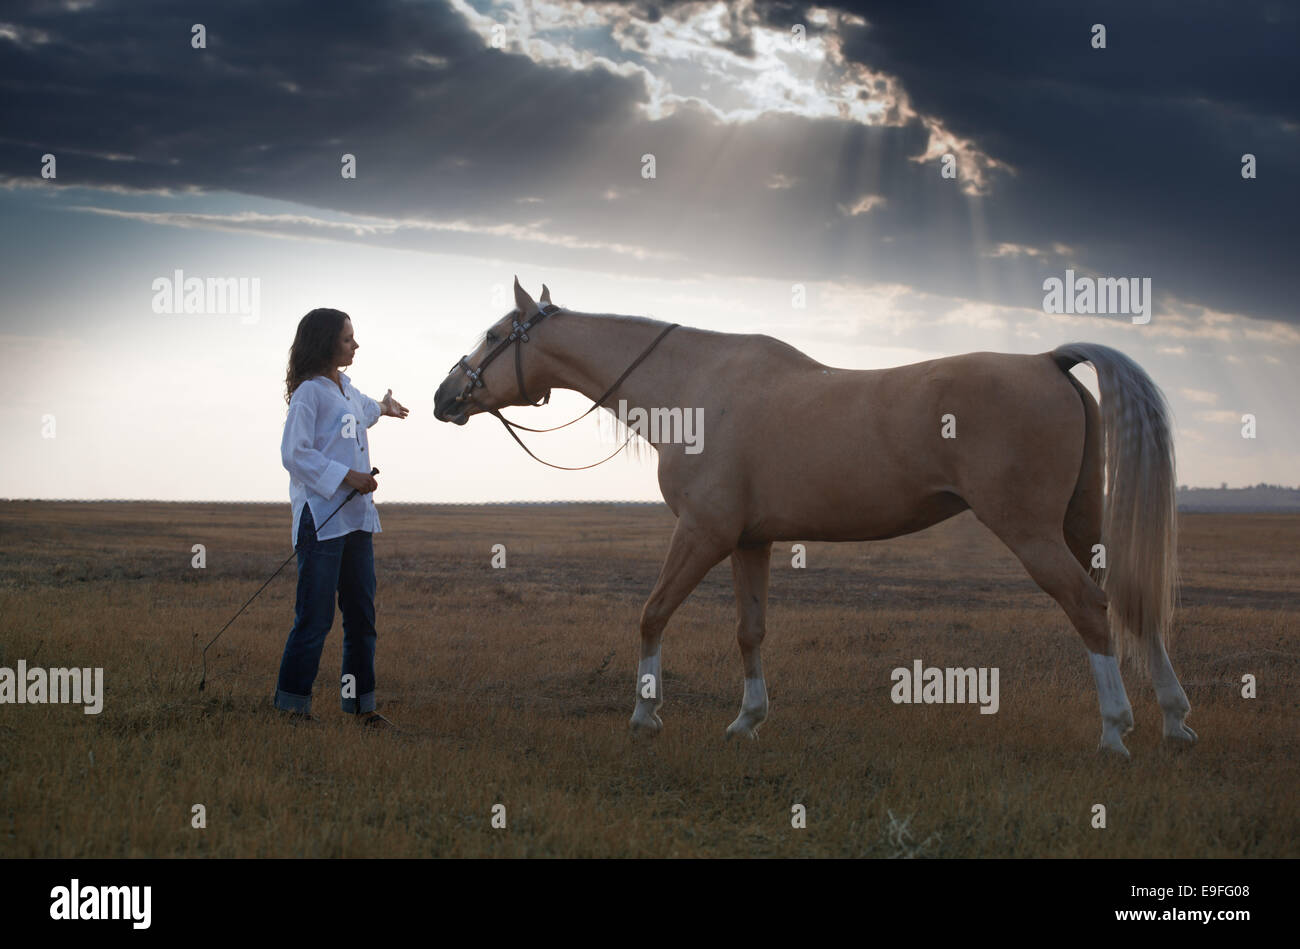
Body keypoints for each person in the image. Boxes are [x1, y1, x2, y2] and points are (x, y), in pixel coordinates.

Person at [276, 307, 408, 727]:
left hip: (357, 522)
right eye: (348, 338)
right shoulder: (308, 393)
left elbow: (367, 410)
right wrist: (347, 476)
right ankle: (292, 708)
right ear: (326, 341)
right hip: (322, 520)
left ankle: (360, 706)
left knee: (362, 618)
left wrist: (386, 407)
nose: (355, 344)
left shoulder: (347, 391)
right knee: (315, 619)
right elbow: (293, 454)